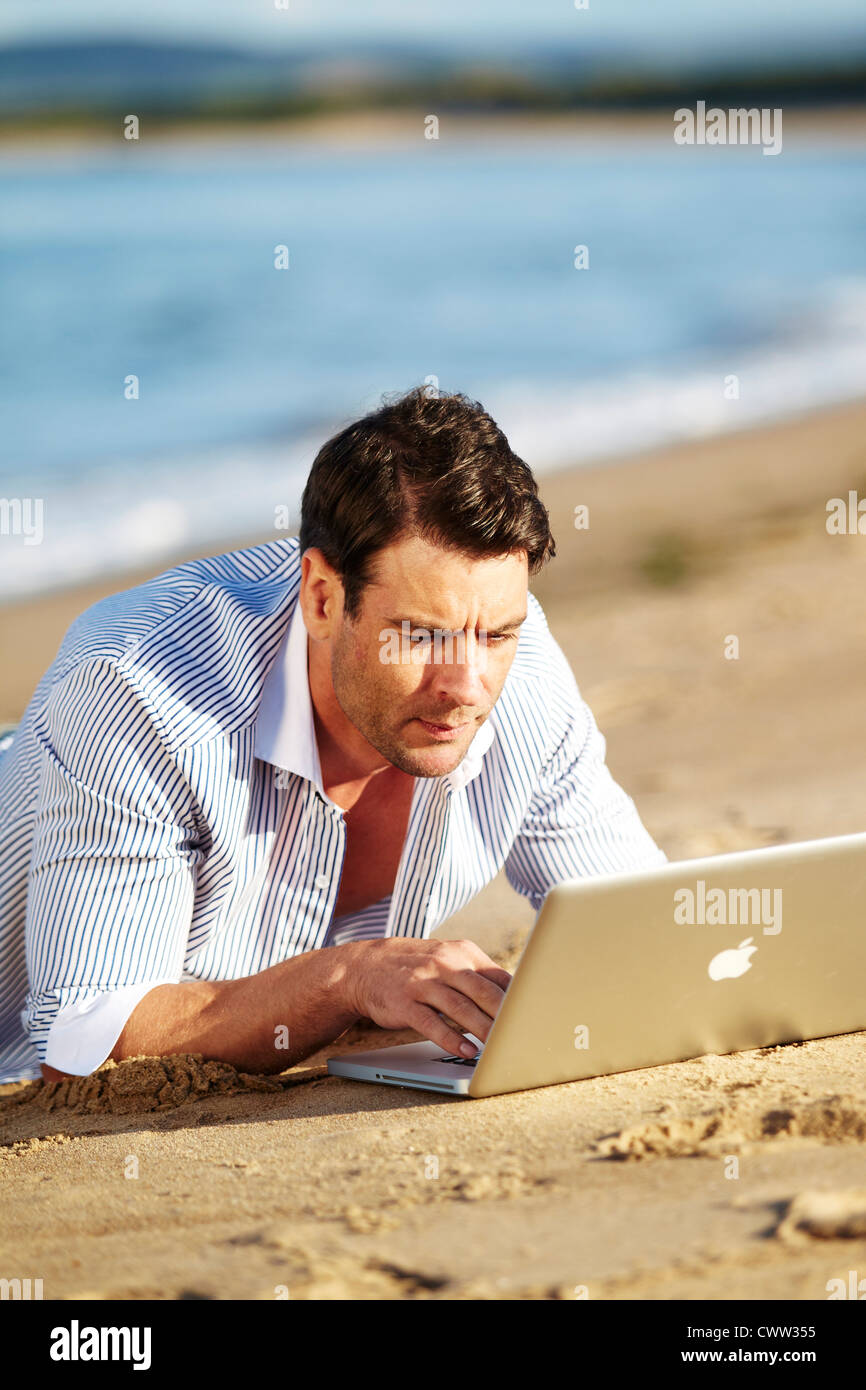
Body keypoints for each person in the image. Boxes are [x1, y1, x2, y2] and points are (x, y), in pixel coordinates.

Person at [0, 387, 665, 1085]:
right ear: (323, 597)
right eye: (422, 634)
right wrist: (349, 975)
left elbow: (641, 920)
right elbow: (84, 1045)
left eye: (496, 634)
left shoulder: (520, 671)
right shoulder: (135, 692)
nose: (467, 686)